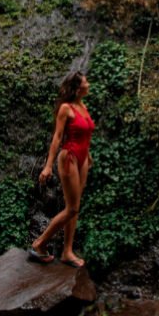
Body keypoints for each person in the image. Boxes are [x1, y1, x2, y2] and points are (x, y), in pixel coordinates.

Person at [29, 70, 94, 268]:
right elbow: (57, 137)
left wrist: (88, 156)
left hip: (82, 159)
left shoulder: (82, 106)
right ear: (77, 88)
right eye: (85, 82)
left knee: (75, 208)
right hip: (69, 157)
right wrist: (48, 166)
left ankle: (67, 252)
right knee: (72, 208)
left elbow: (86, 134)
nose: (88, 84)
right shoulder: (66, 108)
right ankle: (40, 244)